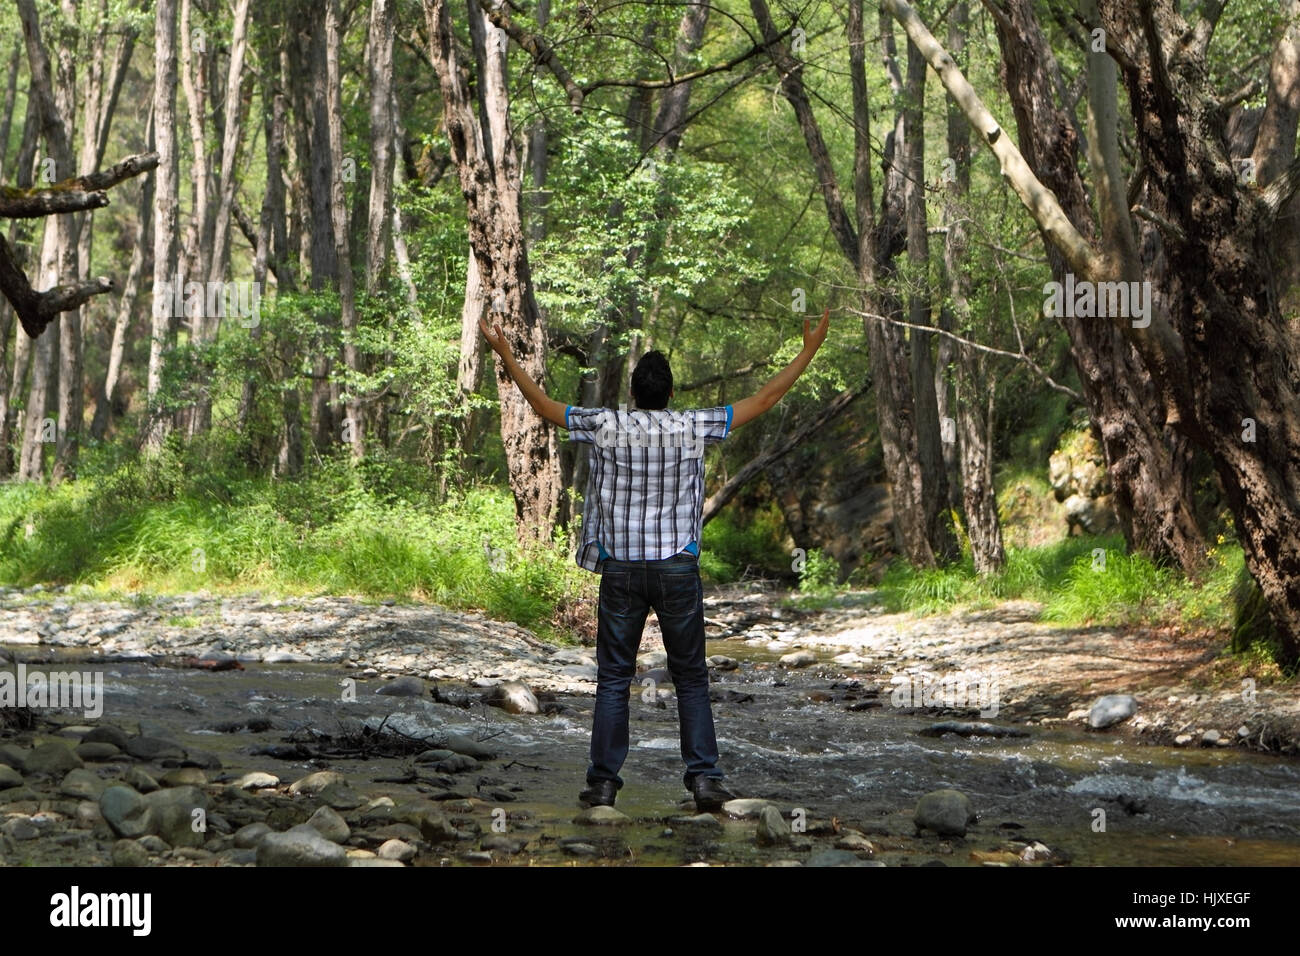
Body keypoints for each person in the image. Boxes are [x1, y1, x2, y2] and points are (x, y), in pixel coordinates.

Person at [478, 307, 830, 811]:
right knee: (690, 677)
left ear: (633, 396)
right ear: (669, 396)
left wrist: (508, 355)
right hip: (675, 568)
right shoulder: (693, 424)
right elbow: (768, 396)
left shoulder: (603, 423)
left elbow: (541, 404)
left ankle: (602, 785)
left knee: (614, 680)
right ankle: (704, 780)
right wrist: (809, 348)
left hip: (621, 569)